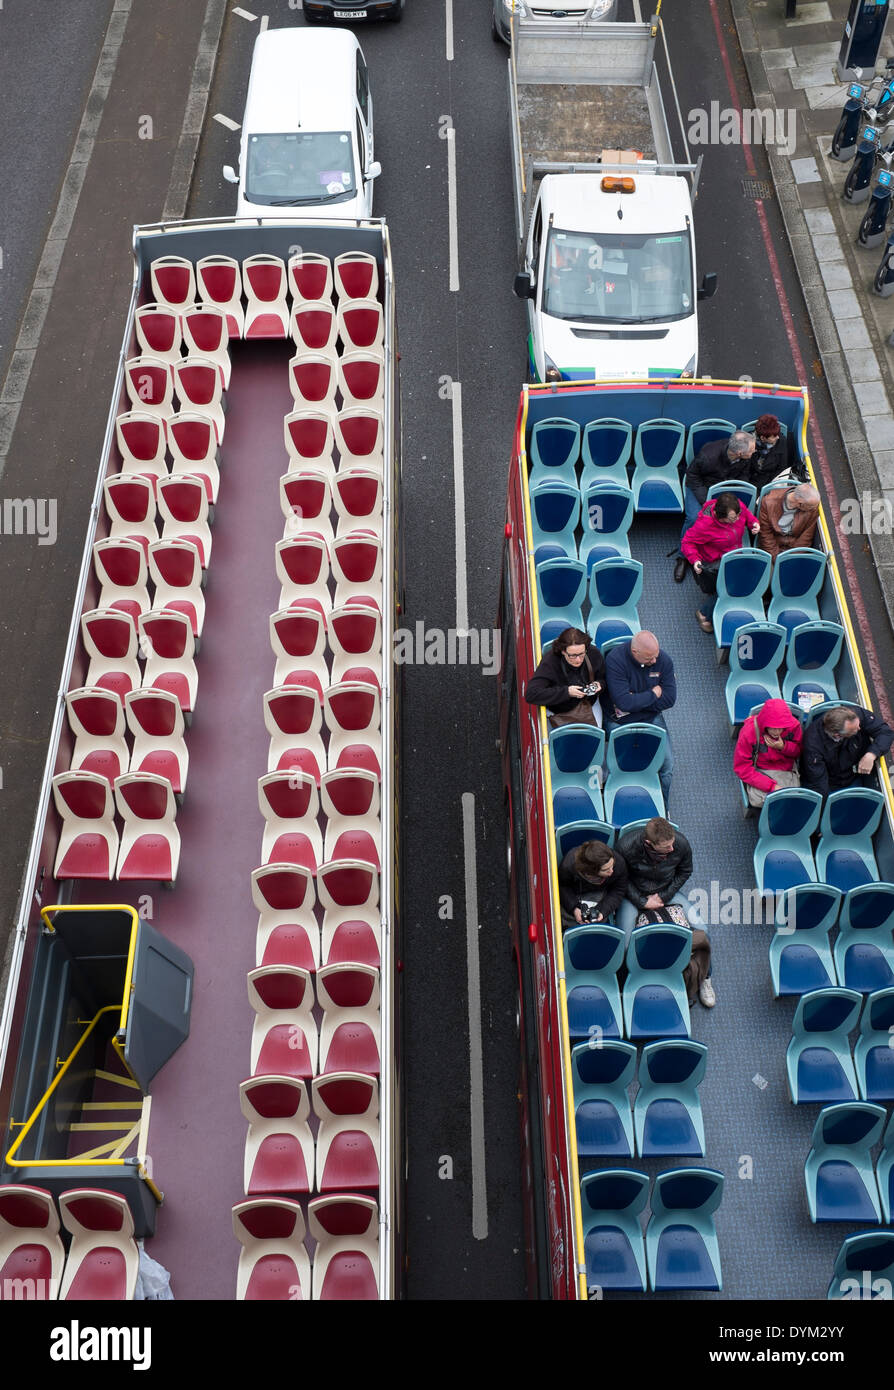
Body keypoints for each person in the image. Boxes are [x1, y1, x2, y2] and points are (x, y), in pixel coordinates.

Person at [615, 817, 714, 1007]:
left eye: (672, 845)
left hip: (666, 892)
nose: (671, 849)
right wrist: (642, 901)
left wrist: (664, 897)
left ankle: (705, 978)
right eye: (665, 847)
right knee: (627, 943)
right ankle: (632, 980)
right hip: (635, 896)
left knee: (703, 930)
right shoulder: (626, 847)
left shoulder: (680, 843)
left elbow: (685, 871)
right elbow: (621, 879)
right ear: (648, 844)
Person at [603, 630, 676, 809]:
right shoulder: (615, 660)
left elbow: (669, 699)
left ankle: (663, 809)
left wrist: (636, 700)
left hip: (652, 718)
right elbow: (624, 702)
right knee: (622, 765)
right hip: (619, 721)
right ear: (635, 653)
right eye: (649, 658)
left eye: (655, 656)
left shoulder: (663, 660)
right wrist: (653, 693)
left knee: (667, 766)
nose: (654, 662)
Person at [674, 430, 756, 581]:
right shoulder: (708, 456)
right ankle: (683, 557)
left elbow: (744, 475)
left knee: (737, 510)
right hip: (700, 488)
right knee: (693, 518)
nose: (754, 451)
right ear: (739, 453)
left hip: (725, 490)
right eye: (752, 449)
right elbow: (692, 477)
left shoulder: (746, 457)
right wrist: (706, 501)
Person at [681, 491, 760, 633]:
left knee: (742, 579)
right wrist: (695, 560)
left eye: (737, 515)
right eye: (732, 519)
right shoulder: (704, 525)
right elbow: (687, 542)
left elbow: (747, 515)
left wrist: (754, 523)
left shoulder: (736, 508)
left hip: (735, 555)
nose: (737, 520)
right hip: (716, 561)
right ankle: (704, 613)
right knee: (731, 585)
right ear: (719, 516)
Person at [801, 704, 894, 799]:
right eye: (855, 730)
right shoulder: (812, 746)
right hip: (832, 782)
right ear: (837, 735)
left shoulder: (855, 715)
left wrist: (871, 754)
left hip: (852, 773)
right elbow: (819, 785)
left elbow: (885, 732)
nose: (860, 728)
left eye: (858, 724)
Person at [524, 627, 607, 726]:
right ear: (563, 651)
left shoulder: (593, 654)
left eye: (581, 654)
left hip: (589, 706)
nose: (578, 660)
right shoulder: (550, 661)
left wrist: (599, 684)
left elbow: (603, 679)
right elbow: (531, 694)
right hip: (559, 711)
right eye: (573, 655)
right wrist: (567, 692)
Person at [733, 697, 803, 808]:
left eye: (781, 728)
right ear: (764, 722)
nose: (777, 732)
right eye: (773, 728)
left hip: (786, 771)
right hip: (760, 772)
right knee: (777, 802)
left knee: (791, 802)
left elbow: (798, 752)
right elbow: (742, 768)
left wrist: (784, 747)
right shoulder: (749, 732)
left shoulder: (793, 726)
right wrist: (771, 786)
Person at [557, 839, 628, 930]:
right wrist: (574, 908)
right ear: (591, 872)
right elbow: (563, 887)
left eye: (612, 865)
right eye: (605, 870)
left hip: (601, 894)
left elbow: (619, 890)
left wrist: (602, 911)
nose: (612, 871)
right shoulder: (569, 865)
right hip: (574, 893)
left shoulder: (618, 862)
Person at [757, 482, 821, 560]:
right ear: (800, 504)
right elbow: (765, 533)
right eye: (811, 507)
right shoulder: (768, 502)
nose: (814, 508)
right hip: (772, 547)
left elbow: (806, 538)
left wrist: (792, 558)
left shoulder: (812, 509)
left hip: (795, 547)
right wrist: (776, 558)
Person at [749, 414, 791, 493]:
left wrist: (768, 486)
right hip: (750, 481)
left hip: (769, 483)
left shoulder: (781, 441)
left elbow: (782, 468)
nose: (778, 437)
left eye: (778, 434)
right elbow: (745, 466)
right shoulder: (748, 442)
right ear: (763, 438)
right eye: (774, 436)